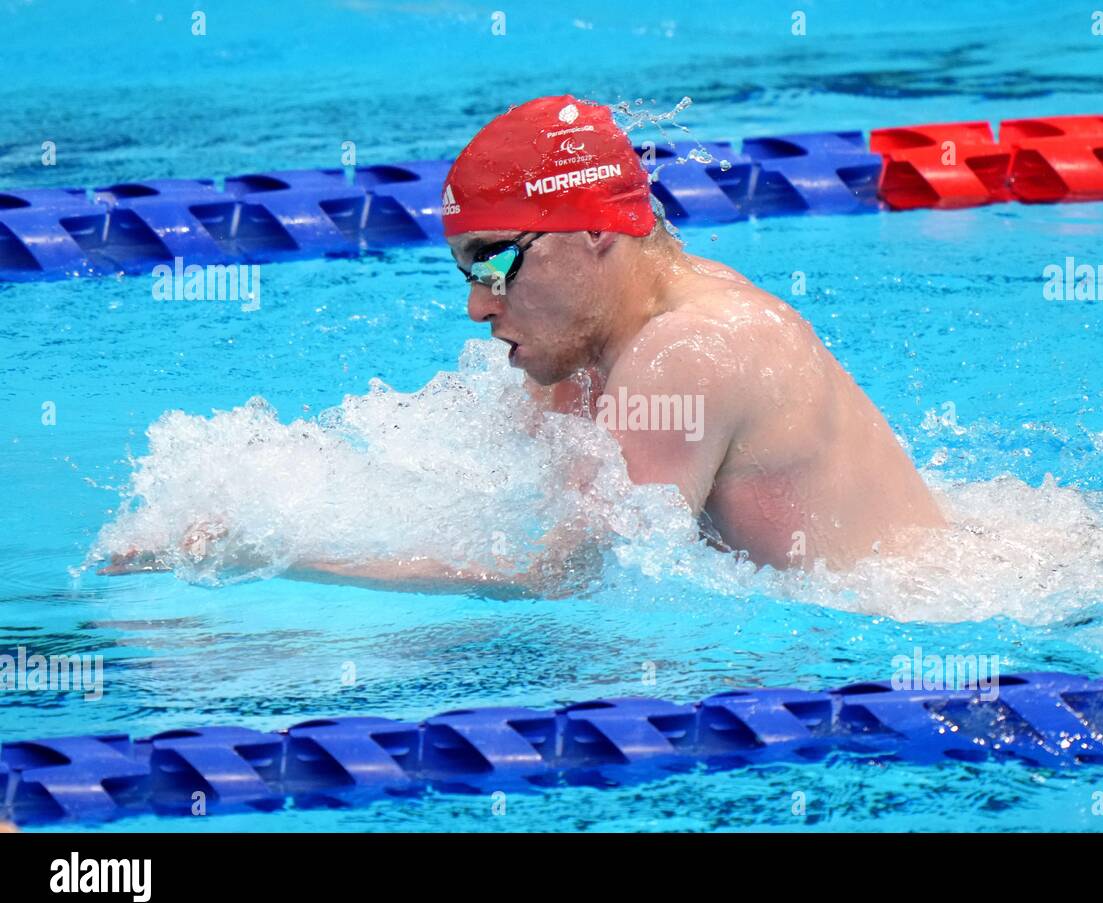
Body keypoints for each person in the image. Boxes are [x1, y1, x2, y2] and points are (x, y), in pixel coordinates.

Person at [103, 95, 944, 594]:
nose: (477, 306)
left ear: (594, 233)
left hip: (908, 628)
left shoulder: (689, 351)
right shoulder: (592, 338)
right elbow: (480, 491)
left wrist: (277, 554)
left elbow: (564, 578)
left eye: (495, 260)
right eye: (467, 270)